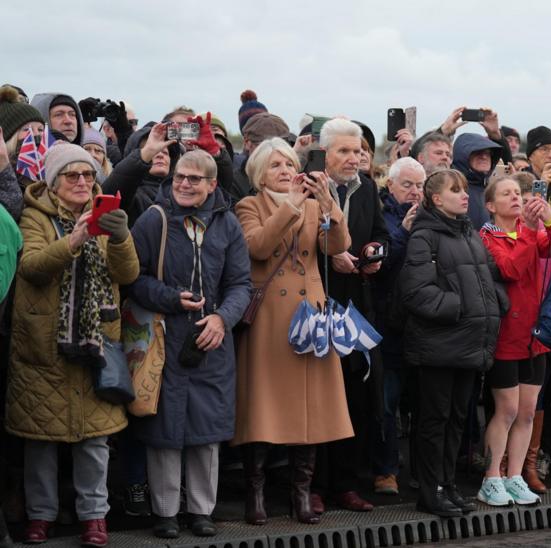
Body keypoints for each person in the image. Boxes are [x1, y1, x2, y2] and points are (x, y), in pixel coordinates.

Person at [6, 144, 138, 546]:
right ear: (53, 182)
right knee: (41, 441)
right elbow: (31, 268)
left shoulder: (108, 216)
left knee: (94, 441)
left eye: (88, 175)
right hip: (43, 345)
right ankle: (41, 515)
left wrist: (118, 237)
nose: (82, 182)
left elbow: (127, 273)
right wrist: (75, 238)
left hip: (95, 344)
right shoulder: (33, 215)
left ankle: (94, 516)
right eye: (72, 176)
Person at [128, 150, 251, 538]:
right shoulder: (154, 219)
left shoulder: (227, 224)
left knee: (206, 429)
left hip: (210, 339)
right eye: (181, 176)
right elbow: (133, 278)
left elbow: (240, 284)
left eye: (195, 179)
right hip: (165, 338)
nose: (184, 183)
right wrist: (168, 298)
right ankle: (164, 513)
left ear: (212, 184)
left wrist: (222, 318)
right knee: (164, 429)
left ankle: (201, 510)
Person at [232, 138, 352, 525]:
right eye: (275, 166)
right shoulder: (248, 206)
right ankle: (256, 492)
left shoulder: (316, 204)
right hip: (270, 319)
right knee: (262, 408)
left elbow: (337, 245)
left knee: (310, 407)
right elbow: (260, 247)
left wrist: (329, 202)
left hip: (311, 318)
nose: (285, 171)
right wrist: (291, 205)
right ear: (258, 174)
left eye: (288, 163)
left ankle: (302, 492)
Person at [398, 169, 505, 517]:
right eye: (454, 190)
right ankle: (431, 491)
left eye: (464, 189)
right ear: (435, 199)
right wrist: (462, 308)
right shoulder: (424, 236)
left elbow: (489, 276)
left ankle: (449, 485)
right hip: (439, 345)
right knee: (434, 421)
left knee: (458, 419)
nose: (464, 195)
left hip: (469, 343)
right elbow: (416, 292)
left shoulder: (469, 233)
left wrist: (496, 305)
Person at [478, 176, 551, 504]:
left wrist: (548, 217)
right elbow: (510, 269)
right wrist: (531, 231)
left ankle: (515, 475)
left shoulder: (531, 230)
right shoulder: (487, 238)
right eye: (507, 193)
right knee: (506, 410)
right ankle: (491, 478)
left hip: (535, 335)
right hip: (506, 336)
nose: (516, 197)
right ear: (491, 205)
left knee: (528, 412)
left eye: (518, 192)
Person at [314, 118, 389, 513]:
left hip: (355, 303)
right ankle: (312, 484)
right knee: (317, 396)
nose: (353, 158)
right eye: (343, 151)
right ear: (323, 154)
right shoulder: (307, 186)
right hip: (315, 302)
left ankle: (345, 483)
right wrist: (330, 252)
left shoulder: (367, 189)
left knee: (354, 396)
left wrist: (376, 253)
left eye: (357, 151)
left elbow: (381, 232)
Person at [371, 157, 425, 496]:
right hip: (389, 322)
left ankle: (424, 473)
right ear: (390, 185)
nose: (415, 192)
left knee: (424, 405)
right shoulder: (381, 213)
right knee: (386, 404)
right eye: (408, 185)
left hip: (424, 324)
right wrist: (405, 231)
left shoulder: (435, 214)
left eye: (420, 185)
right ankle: (385, 470)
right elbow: (381, 261)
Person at [452, 133, 504, 229]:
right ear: (463, 156)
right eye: (478, 153)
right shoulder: (451, 188)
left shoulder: (493, 191)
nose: (484, 157)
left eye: (488, 153)